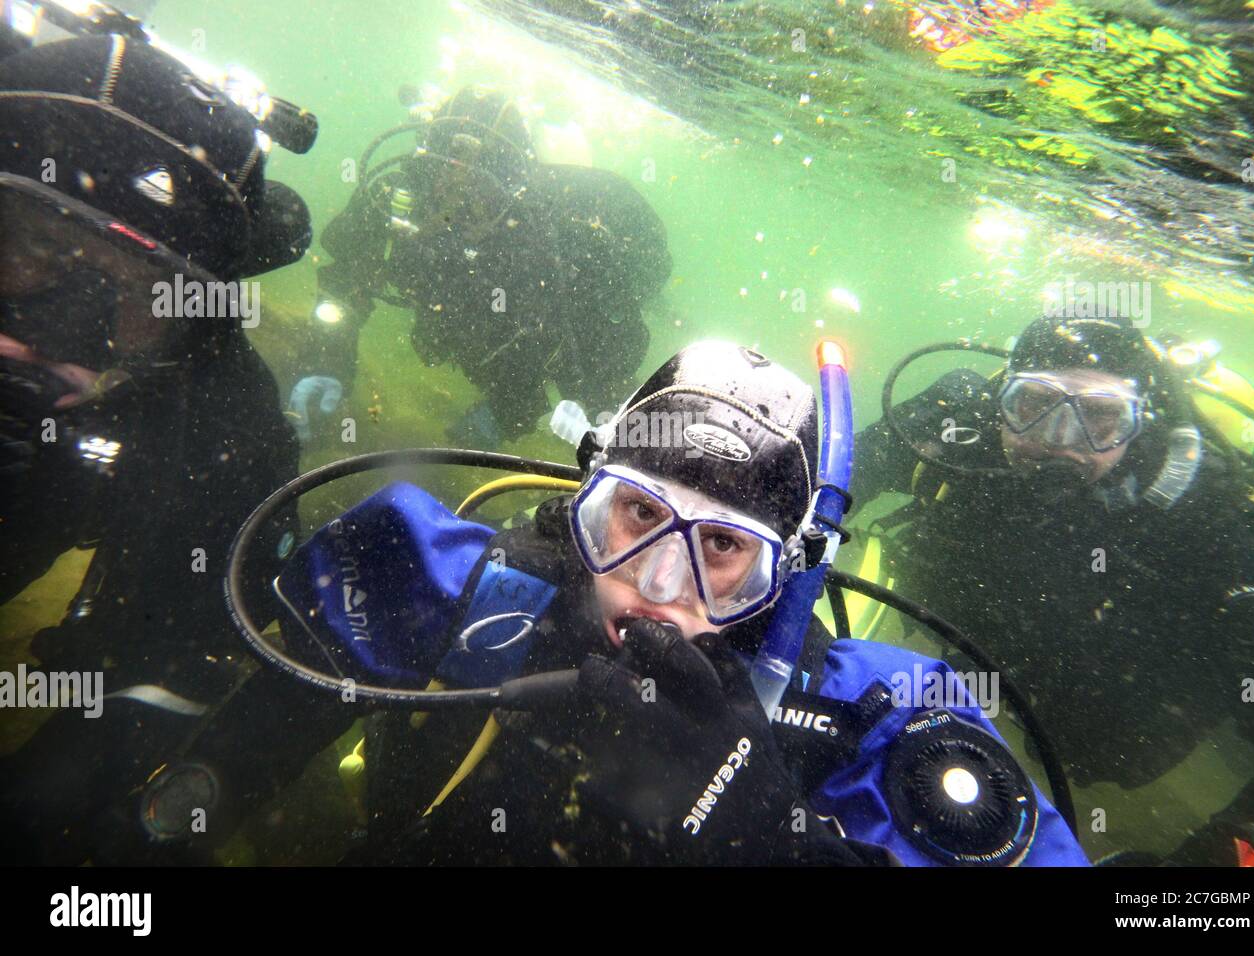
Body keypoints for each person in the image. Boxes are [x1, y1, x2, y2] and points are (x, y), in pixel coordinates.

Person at [184, 341, 1087, 866]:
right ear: (588, 496)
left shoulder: (881, 717)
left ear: (788, 572)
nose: (658, 587)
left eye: (723, 548)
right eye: (639, 515)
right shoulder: (458, 587)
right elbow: (221, 773)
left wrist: (769, 835)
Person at [0, 26, 312, 864]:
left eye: (142, 290)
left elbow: (177, 650)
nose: (61, 329)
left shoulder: (221, 429)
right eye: (32, 242)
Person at [849, 316, 1254, 865]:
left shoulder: (1215, 519)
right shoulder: (955, 426)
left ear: (1141, 424)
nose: (1059, 441)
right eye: (1032, 404)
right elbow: (804, 484)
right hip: (974, 668)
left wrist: (1213, 866)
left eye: (1102, 416)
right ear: (1000, 400)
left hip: (1116, 731)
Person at [289, 85, 672, 447]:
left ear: (517, 179)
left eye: (481, 177)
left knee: (618, 431)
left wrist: (509, 412)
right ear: (426, 165)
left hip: (534, 347)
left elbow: (590, 360)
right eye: (447, 170)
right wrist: (327, 357)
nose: (460, 188)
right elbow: (345, 283)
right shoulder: (395, 200)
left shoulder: (553, 235)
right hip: (478, 338)